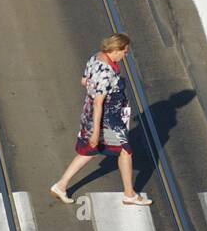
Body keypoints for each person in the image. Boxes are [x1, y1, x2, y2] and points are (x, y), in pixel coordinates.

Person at [51, 33, 151, 207]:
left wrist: (95, 87)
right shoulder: (106, 72)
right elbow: (99, 103)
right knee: (125, 150)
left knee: (89, 151)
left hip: (92, 113)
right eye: (125, 51)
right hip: (107, 118)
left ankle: (61, 185)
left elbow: (84, 81)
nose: (126, 54)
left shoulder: (96, 57)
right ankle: (130, 194)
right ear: (116, 49)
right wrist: (96, 131)